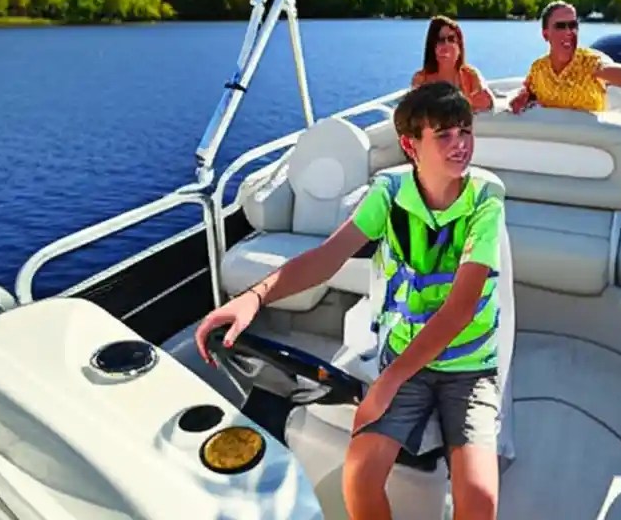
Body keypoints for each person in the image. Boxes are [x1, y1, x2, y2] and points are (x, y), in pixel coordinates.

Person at [195, 81, 505, 520]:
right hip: (406, 359)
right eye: (444, 135)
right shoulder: (390, 193)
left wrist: (386, 383)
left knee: (480, 499)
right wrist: (254, 298)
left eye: (465, 132)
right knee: (359, 474)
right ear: (409, 145)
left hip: (469, 369)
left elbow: (459, 310)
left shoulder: (485, 201)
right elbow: (326, 259)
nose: (460, 145)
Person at [508, 0, 621, 113]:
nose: (569, 32)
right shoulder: (538, 68)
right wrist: (523, 98)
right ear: (546, 34)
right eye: (561, 26)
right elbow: (530, 91)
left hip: (593, 146)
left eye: (573, 25)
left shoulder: (589, 63)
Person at [412, 15, 494, 112]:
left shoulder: (470, 75)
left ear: (459, 46)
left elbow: (488, 100)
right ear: (432, 47)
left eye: (451, 39)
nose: (446, 46)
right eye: (440, 40)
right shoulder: (421, 80)